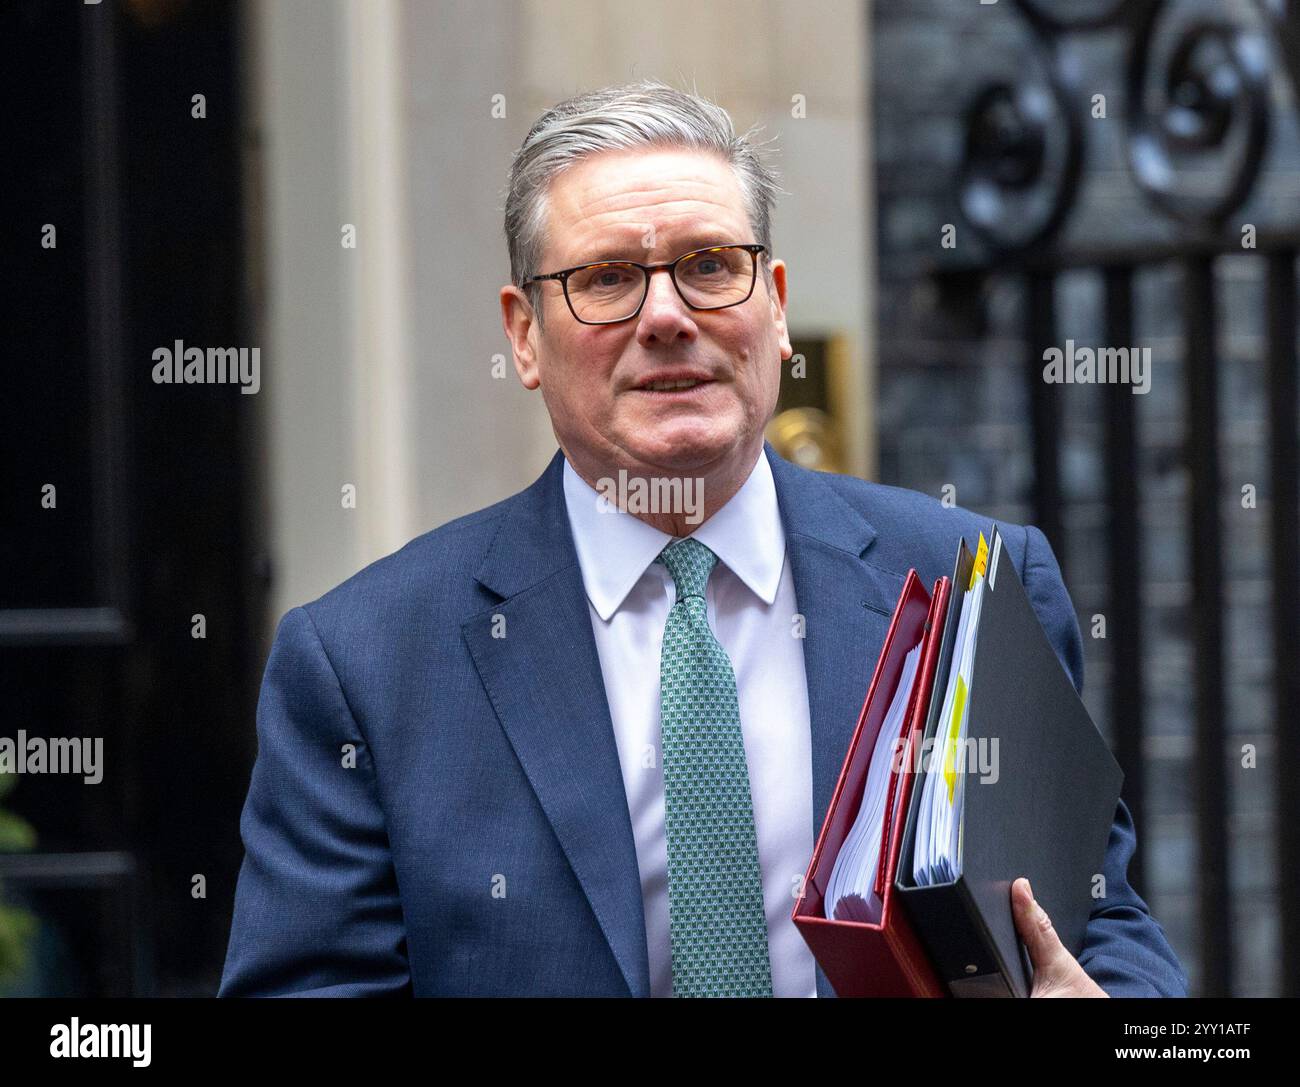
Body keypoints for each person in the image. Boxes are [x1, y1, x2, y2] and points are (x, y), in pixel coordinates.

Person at [218, 80, 1187, 998]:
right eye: (605, 279)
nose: (669, 317)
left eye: (709, 266)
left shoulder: (970, 581)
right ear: (522, 335)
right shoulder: (365, 665)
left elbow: (1095, 921)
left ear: (773, 305)